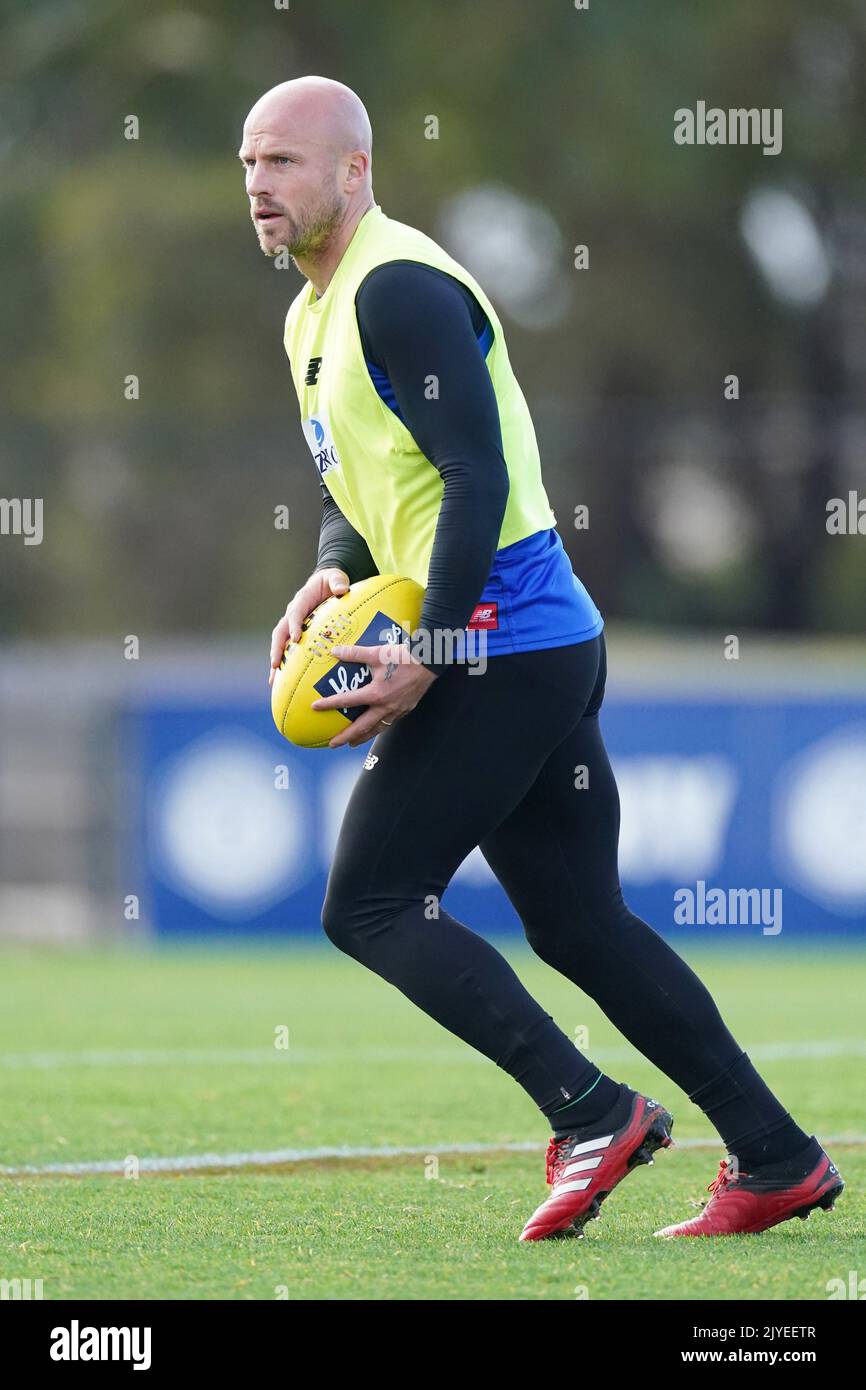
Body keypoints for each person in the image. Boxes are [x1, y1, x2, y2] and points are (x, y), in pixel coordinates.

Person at [240, 76, 843, 1240]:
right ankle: (773, 1156)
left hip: (497, 643)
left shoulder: (396, 287)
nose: (260, 187)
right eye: (250, 166)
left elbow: (475, 476)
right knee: (576, 923)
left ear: (355, 170)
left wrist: (426, 644)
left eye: (285, 163)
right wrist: (329, 567)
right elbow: (361, 483)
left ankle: (588, 1112)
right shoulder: (308, 312)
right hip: (530, 640)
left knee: (366, 901)